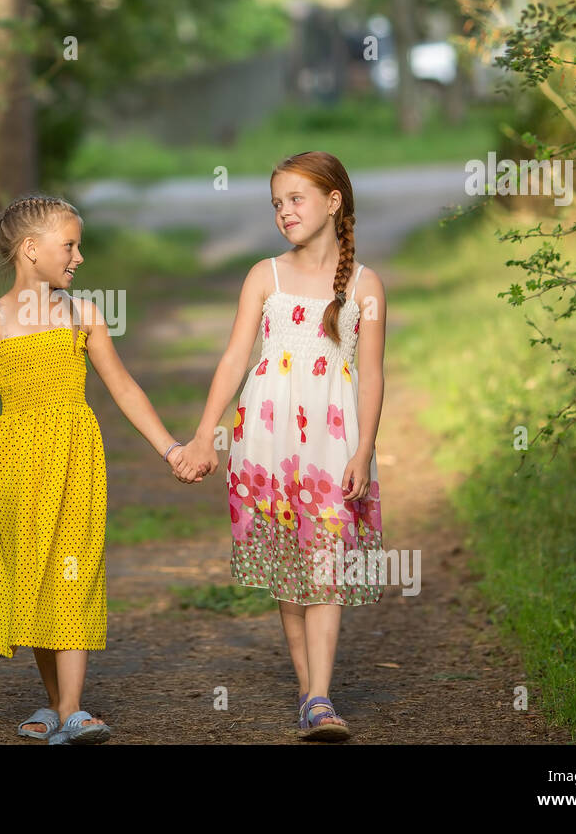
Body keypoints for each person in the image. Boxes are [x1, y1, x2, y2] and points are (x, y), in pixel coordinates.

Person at [0, 194, 206, 744]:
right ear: (31, 250)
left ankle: (72, 708)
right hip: (16, 466)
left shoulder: (83, 314)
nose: (78, 257)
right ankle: (54, 704)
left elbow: (122, 386)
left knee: (73, 574)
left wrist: (171, 449)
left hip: (77, 460)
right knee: (35, 579)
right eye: (69, 245)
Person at [178, 151, 386, 742]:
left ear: (333, 201)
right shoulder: (264, 276)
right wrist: (203, 432)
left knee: (325, 561)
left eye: (296, 199)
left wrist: (363, 450)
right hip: (267, 443)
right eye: (276, 203)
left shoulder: (365, 284)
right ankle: (307, 690)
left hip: (333, 440)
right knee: (292, 569)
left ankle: (320, 696)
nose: (284, 212)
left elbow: (370, 376)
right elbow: (234, 358)